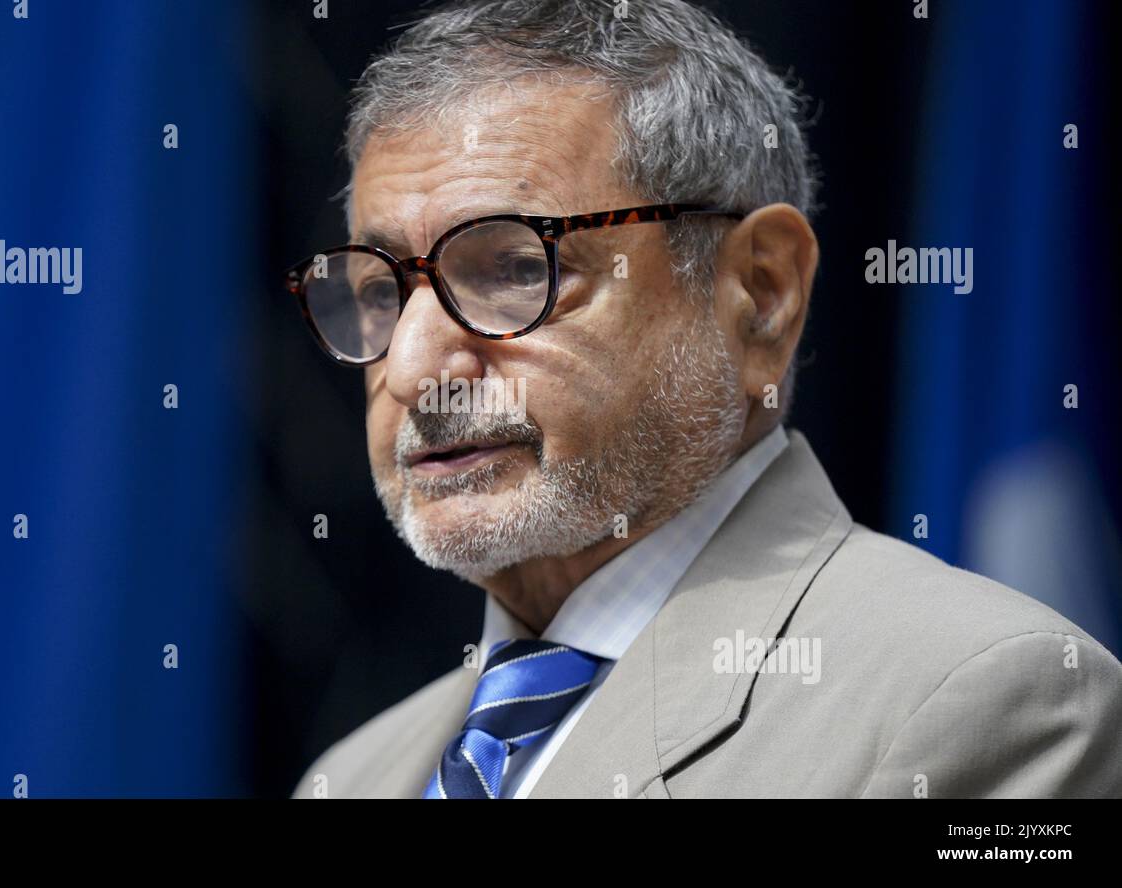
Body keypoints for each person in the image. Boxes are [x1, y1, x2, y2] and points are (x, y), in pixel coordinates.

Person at [286, 0, 1122, 798]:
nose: (412, 368)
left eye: (514, 270)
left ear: (761, 292)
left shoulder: (993, 701)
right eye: (379, 289)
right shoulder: (355, 775)